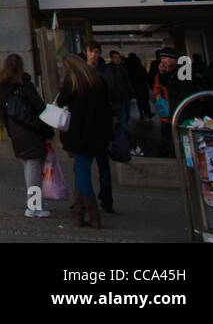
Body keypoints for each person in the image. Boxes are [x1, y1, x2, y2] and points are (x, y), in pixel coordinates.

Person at [55, 53, 113, 228]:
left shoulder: (73, 81)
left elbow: (61, 101)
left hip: (80, 133)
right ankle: (78, 212)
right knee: (83, 169)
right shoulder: (97, 79)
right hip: (99, 132)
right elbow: (107, 106)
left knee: (82, 172)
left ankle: (93, 213)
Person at [0, 54, 53, 218]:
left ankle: (35, 201)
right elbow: (39, 106)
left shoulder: (2, 87)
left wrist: (9, 130)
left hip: (16, 129)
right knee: (33, 166)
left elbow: (2, 112)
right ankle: (34, 205)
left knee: (29, 165)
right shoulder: (24, 84)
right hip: (30, 129)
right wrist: (47, 128)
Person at [84, 42, 124, 213]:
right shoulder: (81, 72)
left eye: (96, 52)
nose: (94, 55)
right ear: (86, 53)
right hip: (86, 124)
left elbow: (115, 95)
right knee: (83, 165)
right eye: (91, 52)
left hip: (101, 124)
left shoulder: (107, 72)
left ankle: (106, 200)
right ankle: (85, 200)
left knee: (103, 165)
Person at [154, 47, 197, 126]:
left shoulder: (184, 70)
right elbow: (165, 85)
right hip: (176, 110)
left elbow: (186, 91)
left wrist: (178, 109)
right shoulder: (171, 71)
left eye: (164, 58)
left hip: (185, 111)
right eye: (161, 59)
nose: (162, 61)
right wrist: (162, 74)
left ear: (173, 59)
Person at [125, 52, 151, 119]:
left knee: (139, 100)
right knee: (144, 100)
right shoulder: (140, 67)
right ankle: (147, 112)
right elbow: (146, 76)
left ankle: (141, 113)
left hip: (133, 85)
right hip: (141, 85)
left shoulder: (128, 66)